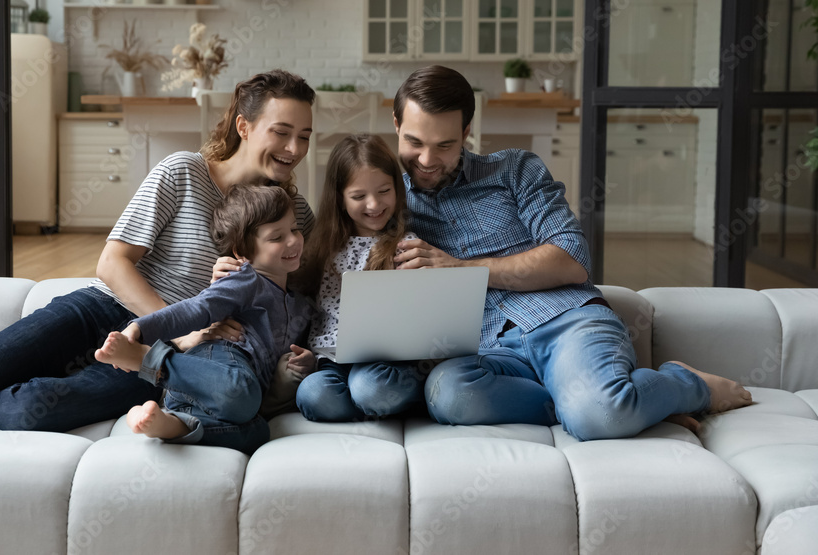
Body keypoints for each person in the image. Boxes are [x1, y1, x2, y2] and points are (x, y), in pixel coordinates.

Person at [0, 70, 316, 433]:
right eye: (282, 132)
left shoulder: (295, 213)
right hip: (102, 309)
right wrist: (172, 330)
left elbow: (303, 290)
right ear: (244, 126)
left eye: (305, 136)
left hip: (160, 359)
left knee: (24, 412)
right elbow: (112, 262)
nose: (294, 149)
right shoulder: (183, 171)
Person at [389, 65, 752, 440]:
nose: (428, 160)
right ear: (397, 124)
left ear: (466, 133)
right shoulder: (387, 203)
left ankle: (683, 385)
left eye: (444, 145)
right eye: (415, 142)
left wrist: (462, 269)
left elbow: (572, 259)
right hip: (487, 352)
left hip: (566, 322)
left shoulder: (515, 169)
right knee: (447, 396)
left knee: (598, 416)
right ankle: (614, 402)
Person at [94, 185, 315, 454]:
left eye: (294, 229)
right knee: (243, 393)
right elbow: (196, 309)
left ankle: (172, 425)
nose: (293, 241)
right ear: (242, 252)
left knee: (257, 430)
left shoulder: (301, 302)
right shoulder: (245, 279)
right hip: (219, 362)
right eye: (277, 237)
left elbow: (304, 347)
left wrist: (307, 359)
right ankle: (147, 359)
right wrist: (140, 327)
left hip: (204, 395)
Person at [292, 134, 425, 422]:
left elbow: (418, 317)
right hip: (331, 360)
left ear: (397, 190)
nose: (374, 204)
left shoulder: (406, 247)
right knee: (312, 395)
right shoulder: (321, 247)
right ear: (339, 198)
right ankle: (373, 405)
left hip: (383, 362)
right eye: (358, 196)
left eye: (384, 191)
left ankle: (380, 398)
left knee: (370, 386)